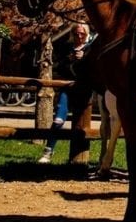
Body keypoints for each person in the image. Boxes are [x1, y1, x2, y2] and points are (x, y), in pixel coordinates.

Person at [39, 23, 94, 163]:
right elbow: (58, 68)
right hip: (67, 89)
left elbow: (94, 70)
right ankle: (48, 151)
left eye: (82, 33)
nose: (79, 36)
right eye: (76, 33)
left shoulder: (91, 49)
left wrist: (85, 58)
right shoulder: (66, 48)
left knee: (81, 126)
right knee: (58, 120)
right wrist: (69, 59)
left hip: (83, 91)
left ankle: (78, 160)